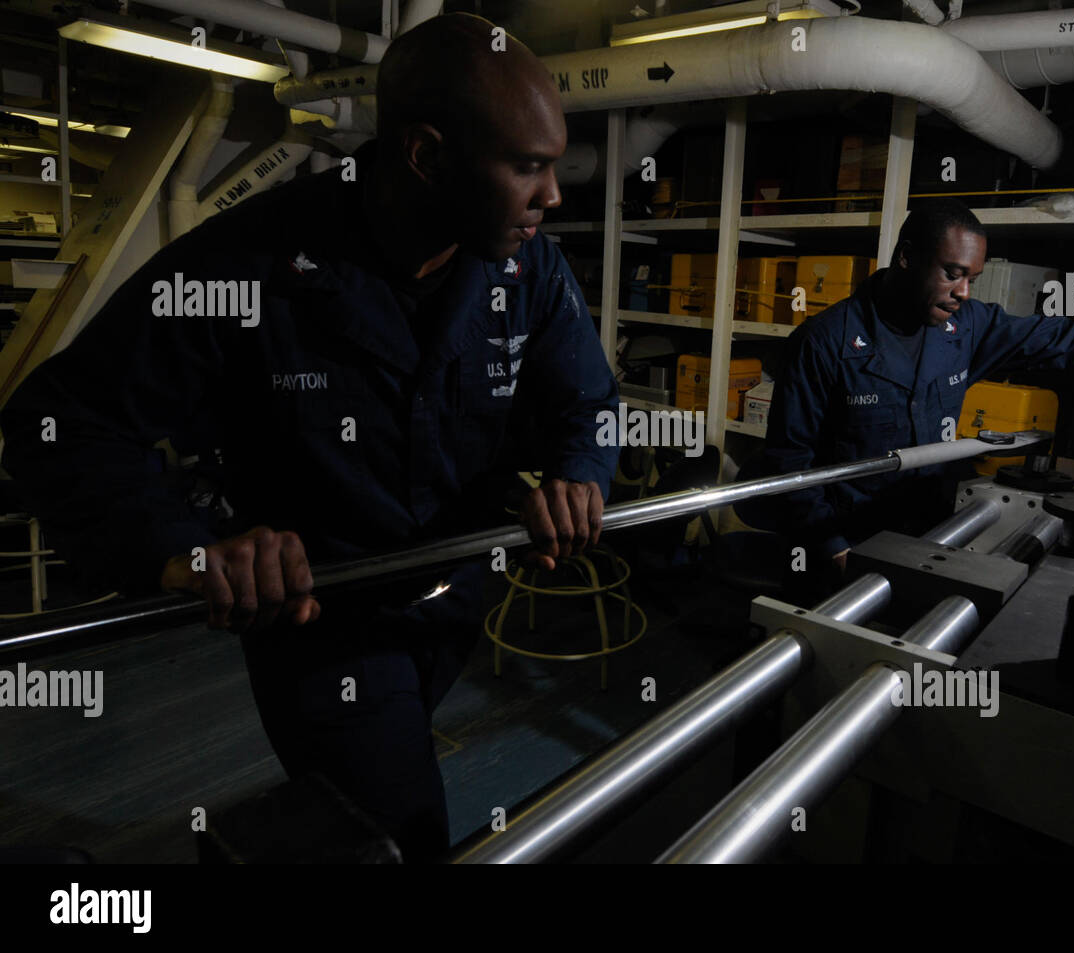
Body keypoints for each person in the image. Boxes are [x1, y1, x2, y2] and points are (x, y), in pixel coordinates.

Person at [0, 14, 619, 861]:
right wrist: (190, 549)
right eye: (529, 168)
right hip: (323, 621)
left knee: (352, 810)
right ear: (426, 155)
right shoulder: (244, 264)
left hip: (458, 598)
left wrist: (577, 472)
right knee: (403, 839)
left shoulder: (525, 265)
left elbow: (588, 400)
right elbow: (61, 428)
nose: (554, 195)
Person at [743, 198, 1074, 599]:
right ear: (906, 257)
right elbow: (791, 465)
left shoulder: (968, 328)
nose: (963, 291)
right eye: (952, 272)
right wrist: (833, 550)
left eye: (972, 279)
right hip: (841, 549)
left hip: (926, 539)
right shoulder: (826, 341)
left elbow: (1070, 340)